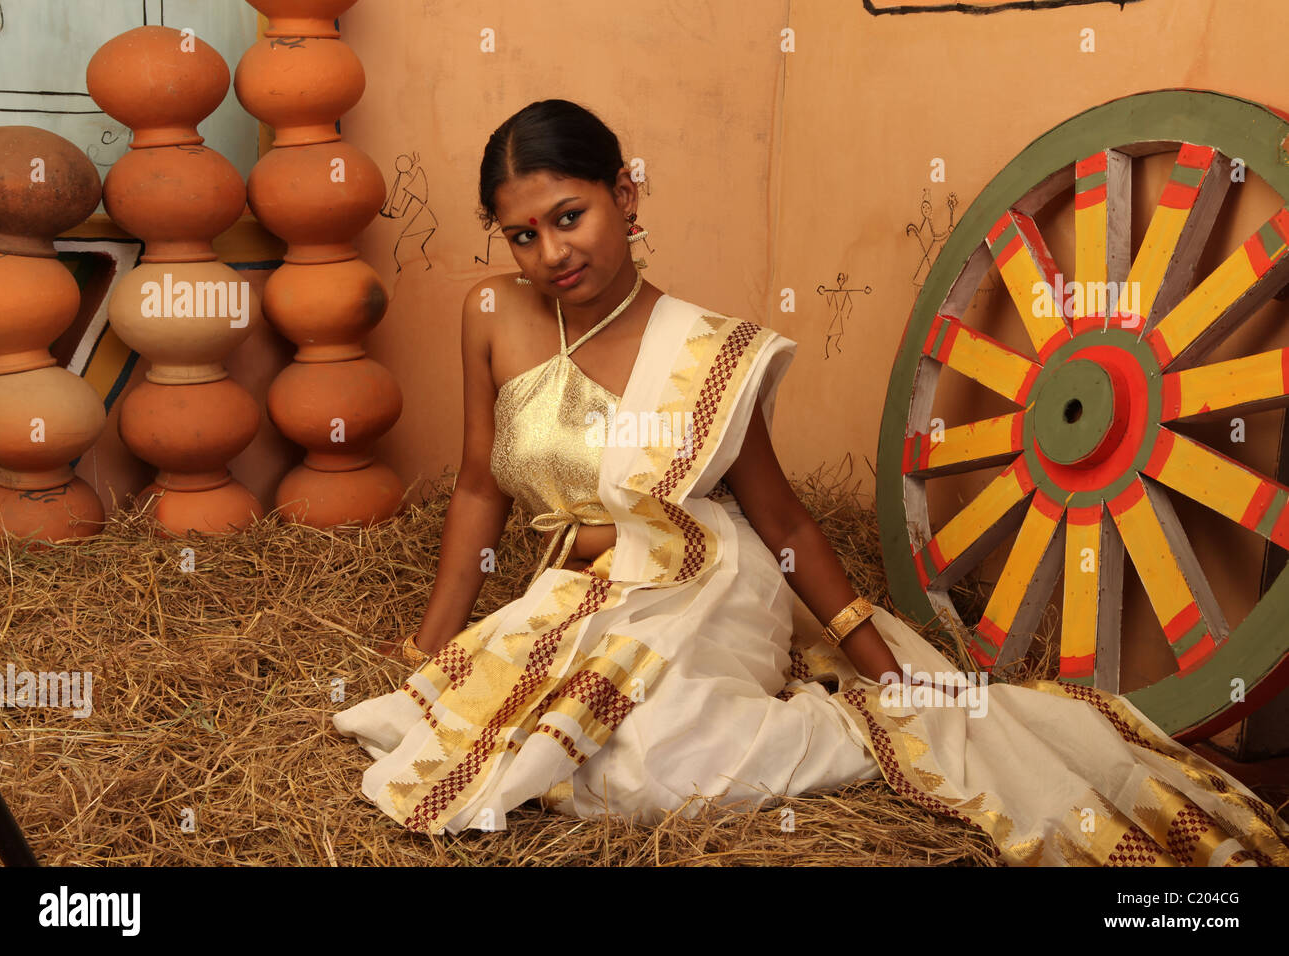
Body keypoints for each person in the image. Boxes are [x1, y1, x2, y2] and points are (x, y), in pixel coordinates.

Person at [333, 99, 1289, 866]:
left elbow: (781, 517)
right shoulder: (491, 314)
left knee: (649, 771)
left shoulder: (711, 352)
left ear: (625, 197)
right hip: (584, 583)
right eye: (522, 235)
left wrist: (885, 671)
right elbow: (475, 492)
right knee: (510, 752)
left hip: (704, 574)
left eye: (569, 217)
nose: (550, 255)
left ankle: (856, 729)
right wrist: (429, 644)